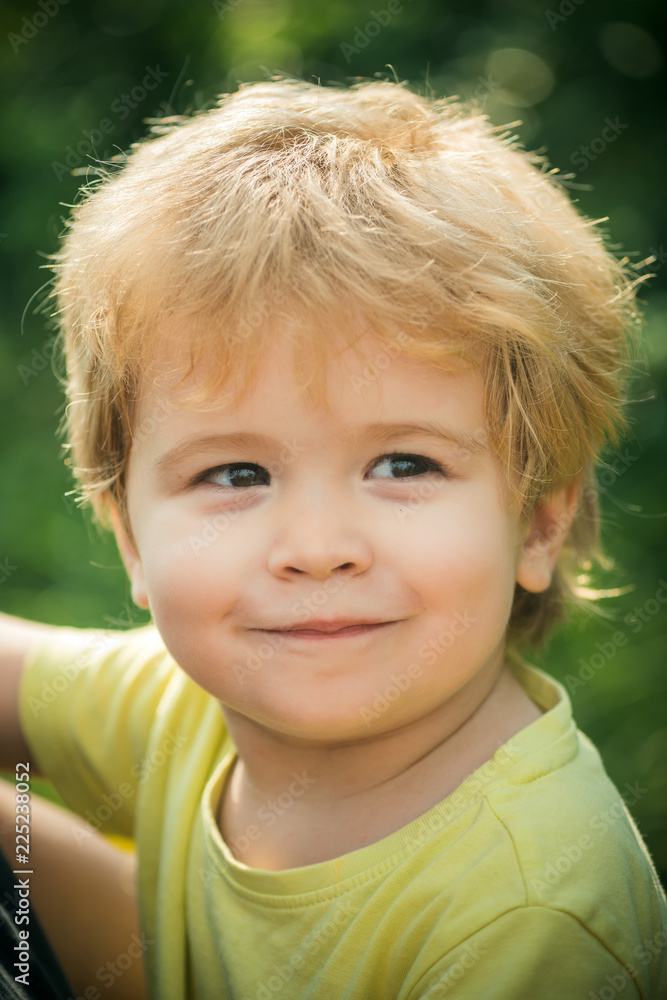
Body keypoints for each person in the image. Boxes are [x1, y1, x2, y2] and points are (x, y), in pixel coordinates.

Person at [0, 77, 665, 1000]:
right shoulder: (183, 710)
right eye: (235, 474)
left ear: (539, 522)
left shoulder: (530, 913)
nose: (316, 548)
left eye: (403, 465)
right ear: (132, 543)